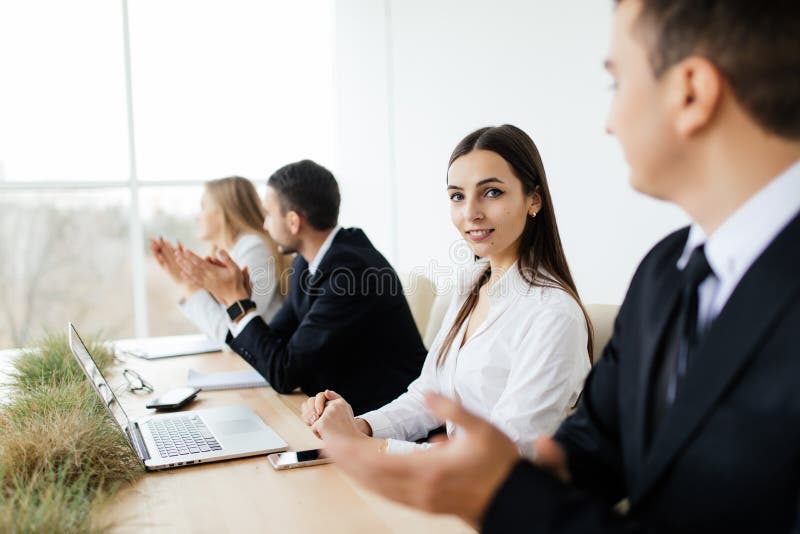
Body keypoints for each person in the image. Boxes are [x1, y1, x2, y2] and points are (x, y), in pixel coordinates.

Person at [320, 0, 800, 532]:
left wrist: (491, 489)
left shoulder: (558, 308)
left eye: (616, 84)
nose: (609, 123)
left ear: (691, 91)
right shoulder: (665, 273)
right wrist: (387, 443)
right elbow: (589, 450)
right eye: (457, 195)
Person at [305, 125, 593, 457]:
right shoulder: (472, 285)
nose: (470, 212)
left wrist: (375, 447)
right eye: (457, 196)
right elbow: (430, 394)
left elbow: (502, 454)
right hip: (450, 483)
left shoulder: (553, 314)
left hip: (509, 498)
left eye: (492, 192)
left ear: (534, 200)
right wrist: (360, 426)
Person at [175, 160, 427, 414]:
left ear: (294, 221)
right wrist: (241, 303)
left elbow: (284, 373)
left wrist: (237, 303)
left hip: (391, 418)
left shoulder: (350, 272)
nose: (264, 224)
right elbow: (274, 347)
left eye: (268, 214)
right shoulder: (305, 264)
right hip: (336, 410)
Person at [150, 176, 285, 345]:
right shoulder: (228, 251)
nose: (197, 217)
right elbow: (220, 330)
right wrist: (183, 279)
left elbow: (234, 336)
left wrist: (187, 286)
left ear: (224, 211)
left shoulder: (254, 248)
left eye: (203, 207)